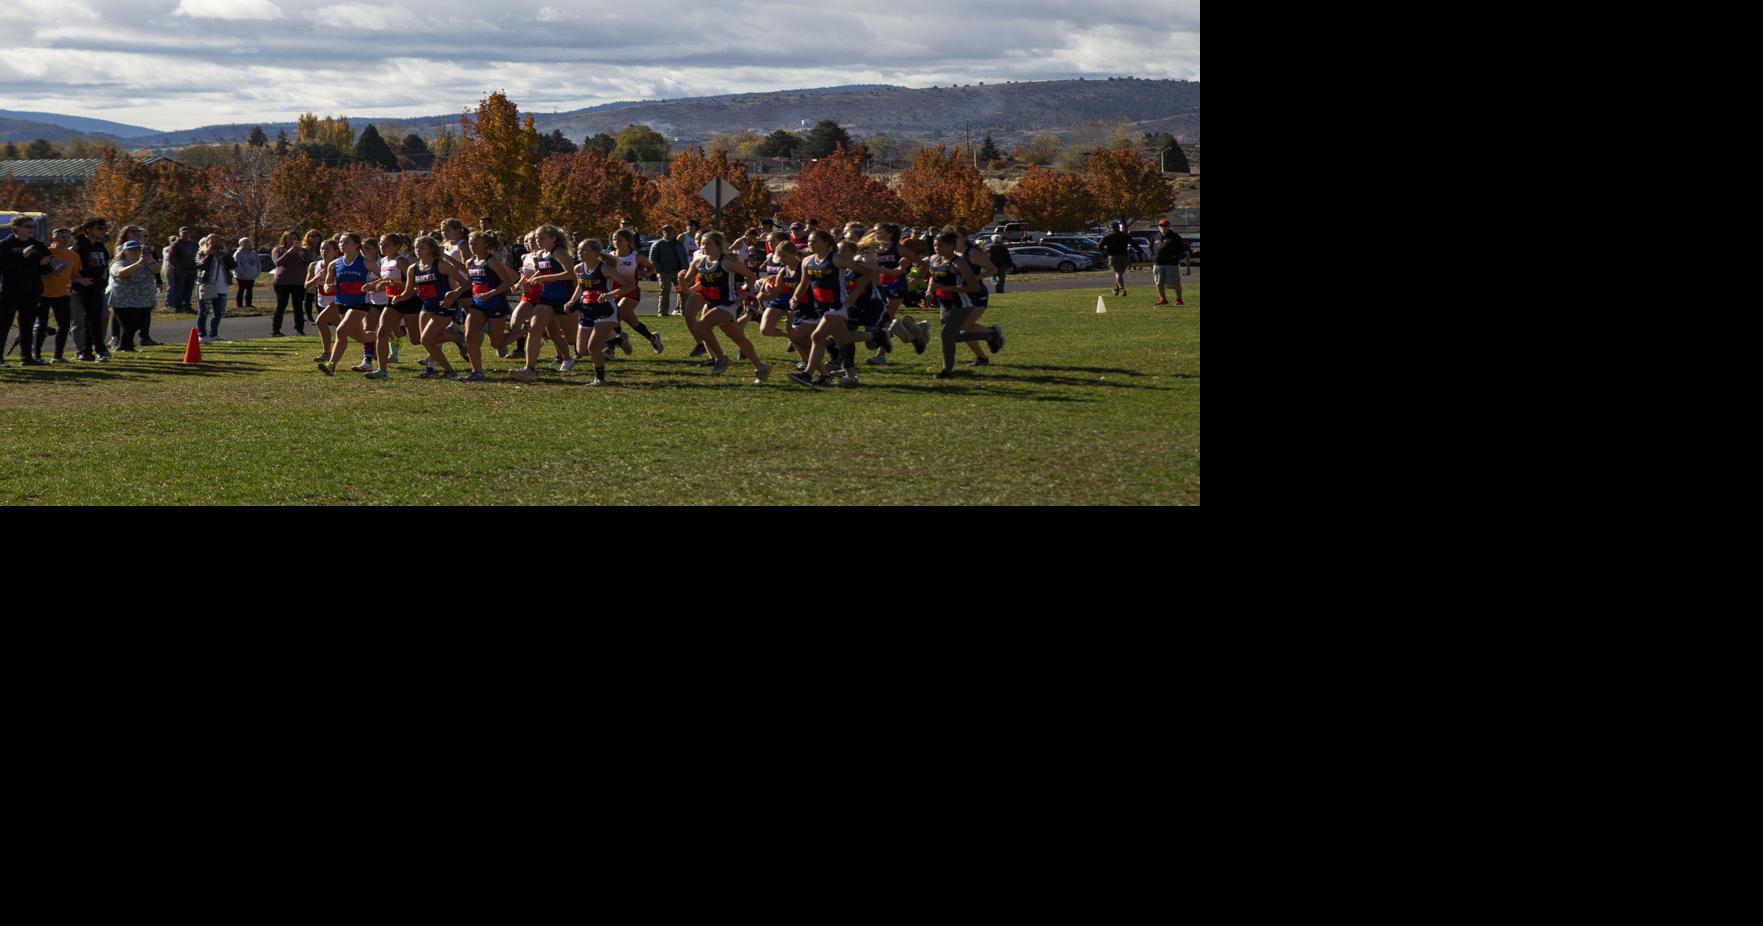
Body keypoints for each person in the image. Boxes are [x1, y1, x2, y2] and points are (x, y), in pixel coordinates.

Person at [683, 231, 767, 381]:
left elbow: (751, 276)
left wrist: (744, 294)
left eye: (708, 243)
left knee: (700, 327)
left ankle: (721, 358)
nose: (704, 246)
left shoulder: (727, 261)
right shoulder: (698, 262)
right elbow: (696, 282)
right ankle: (760, 367)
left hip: (728, 304)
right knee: (739, 338)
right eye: (702, 243)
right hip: (711, 303)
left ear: (718, 245)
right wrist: (683, 282)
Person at [925, 231, 1002, 379]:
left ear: (951, 246)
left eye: (941, 245)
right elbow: (933, 278)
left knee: (946, 335)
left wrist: (947, 288)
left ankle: (947, 370)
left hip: (961, 304)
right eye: (935, 244)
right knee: (951, 336)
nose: (937, 248)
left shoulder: (958, 262)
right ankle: (989, 335)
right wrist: (929, 292)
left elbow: (974, 287)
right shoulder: (934, 259)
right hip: (944, 303)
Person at [568, 239, 633, 387]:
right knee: (581, 350)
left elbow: (629, 286)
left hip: (605, 310)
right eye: (578, 249)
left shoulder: (604, 269)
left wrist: (609, 295)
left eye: (585, 250)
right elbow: (581, 286)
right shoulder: (578, 268)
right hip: (586, 309)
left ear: (595, 252)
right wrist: (572, 301)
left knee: (593, 347)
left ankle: (600, 378)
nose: (580, 252)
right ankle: (617, 340)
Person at [316, 232, 380, 376]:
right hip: (342, 303)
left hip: (360, 304)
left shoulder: (365, 262)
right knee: (361, 337)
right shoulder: (335, 264)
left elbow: (384, 277)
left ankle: (331, 365)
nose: (342, 245)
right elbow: (328, 282)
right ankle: (383, 335)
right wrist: (328, 286)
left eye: (346, 242)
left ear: (356, 245)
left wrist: (372, 285)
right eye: (340, 242)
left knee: (340, 330)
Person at [461, 230, 517, 382]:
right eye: (470, 243)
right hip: (478, 305)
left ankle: (524, 330)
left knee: (496, 343)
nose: (472, 246)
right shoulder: (470, 262)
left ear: (485, 244)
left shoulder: (492, 261)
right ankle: (477, 372)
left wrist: (490, 294)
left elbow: (508, 282)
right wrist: (455, 292)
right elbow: (470, 283)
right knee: (469, 336)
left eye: (476, 243)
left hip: (495, 304)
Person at [1, 214, 54, 366]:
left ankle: (27, 358)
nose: (31, 229)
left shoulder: (38, 245)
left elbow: (46, 270)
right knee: (4, 325)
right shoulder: (5, 245)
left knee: (27, 326)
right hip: (9, 292)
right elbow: (4, 268)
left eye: (33, 227)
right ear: (15, 227)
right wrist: (22, 256)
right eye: (27, 226)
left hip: (31, 292)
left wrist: (45, 264)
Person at [32, 228, 85, 363]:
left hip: (62, 293)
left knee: (64, 325)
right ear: (54, 238)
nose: (66, 240)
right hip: (43, 293)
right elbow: (37, 270)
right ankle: (36, 354)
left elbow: (74, 274)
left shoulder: (73, 255)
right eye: (63, 237)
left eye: (68, 237)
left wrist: (81, 280)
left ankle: (58, 356)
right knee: (41, 325)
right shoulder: (46, 252)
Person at [106, 239, 159, 353]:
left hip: (143, 300)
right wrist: (137, 264)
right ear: (125, 251)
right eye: (131, 249)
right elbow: (120, 273)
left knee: (137, 324)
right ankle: (124, 346)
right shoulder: (119, 263)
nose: (135, 251)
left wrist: (151, 260)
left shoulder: (146, 262)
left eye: (138, 249)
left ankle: (126, 346)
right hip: (123, 300)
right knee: (128, 325)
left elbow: (156, 270)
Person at [70, 216, 110, 361]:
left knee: (96, 319)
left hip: (97, 287)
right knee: (88, 320)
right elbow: (72, 267)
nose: (103, 231)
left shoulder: (99, 245)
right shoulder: (79, 246)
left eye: (104, 228)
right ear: (88, 230)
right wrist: (80, 279)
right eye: (99, 228)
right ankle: (93, 350)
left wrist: (104, 273)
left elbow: (105, 261)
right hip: (83, 288)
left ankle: (92, 350)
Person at [194, 234, 235, 343]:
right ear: (207, 242)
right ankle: (202, 335)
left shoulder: (223, 254)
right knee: (203, 311)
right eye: (213, 242)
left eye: (218, 241)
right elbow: (201, 266)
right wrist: (210, 254)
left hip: (221, 285)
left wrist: (227, 255)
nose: (216, 244)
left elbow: (234, 265)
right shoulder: (202, 252)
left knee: (219, 312)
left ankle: (214, 334)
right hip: (206, 285)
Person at [270, 231, 309, 336]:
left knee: (298, 306)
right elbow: (278, 263)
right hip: (282, 282)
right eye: (290, 238)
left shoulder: (304, 250)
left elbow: (310, 262)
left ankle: (299, 329)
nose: (292, 241)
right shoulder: (278, 250)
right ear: (285, 239)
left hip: (299, 282)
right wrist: (288, 252)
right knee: (281, 305)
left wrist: (300, 252)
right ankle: (275, 330)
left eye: (294, 239)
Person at [647, 224, 688, 317]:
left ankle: (685, 312)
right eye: (665, 231)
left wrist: (685, 269)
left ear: (674, 232)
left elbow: (684, 257)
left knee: (683, 291)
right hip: (664, 272)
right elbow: (652, 259)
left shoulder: (678, 244)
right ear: (662, 233)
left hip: (679, 271)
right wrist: (660, 271)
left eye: (670, 231)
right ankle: (662, 312)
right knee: (665, 292)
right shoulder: (658, 244)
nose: (668, 233)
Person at [1153, 218, 1188, 306]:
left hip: (1171, 264)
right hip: (1158, 264)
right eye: (1161, 226)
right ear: (1158, 226)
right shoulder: (1155, 236)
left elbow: (1182, 249)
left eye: (1165, 226)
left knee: (1175, 282)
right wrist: (1153, 257)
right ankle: (1163, 299)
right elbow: (1151, 247)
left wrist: (1175, 257)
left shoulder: (1175, 237)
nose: (1163, 228)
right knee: (1158, 282)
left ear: (1169, 226)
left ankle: (1179, 299)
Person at [169, 226, 199, 312]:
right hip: (180, 272)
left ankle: (187, 306)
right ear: (180, 233)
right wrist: (179, 270)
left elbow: (197, 257)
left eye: (187, 233)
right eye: (183, 233)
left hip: (191, 271)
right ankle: (178, 307)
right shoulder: (176, 244)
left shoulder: (193, 245)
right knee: (179, 290)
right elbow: (172, 259)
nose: (185, 235)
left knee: (189, 290)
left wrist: (195, 268)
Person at [1099, 222, 1132, 296]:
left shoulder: (1107, 236)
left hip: (1113, 256)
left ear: (1111, 228)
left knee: (1118, 273)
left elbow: (1099, 246)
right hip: (1124, 256)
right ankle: (1116, 289)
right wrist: (1140, 251)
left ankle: (1122, 290)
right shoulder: (1124, 235)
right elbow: (1133, 243)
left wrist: (1105, 252)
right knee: (1120, 274)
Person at [232, 238, 261, 308]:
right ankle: (239, 305)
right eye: (246, 242)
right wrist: (242, 273)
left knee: (249, 289)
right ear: (241, 244)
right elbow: (236, 266)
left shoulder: (254, 253)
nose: (249, 244)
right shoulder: (238, 253)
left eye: (249, 242)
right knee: (241, 289)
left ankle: (249, 304)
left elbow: (258, 263)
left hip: (251, 275)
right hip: (241, 276)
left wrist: (258, 272)